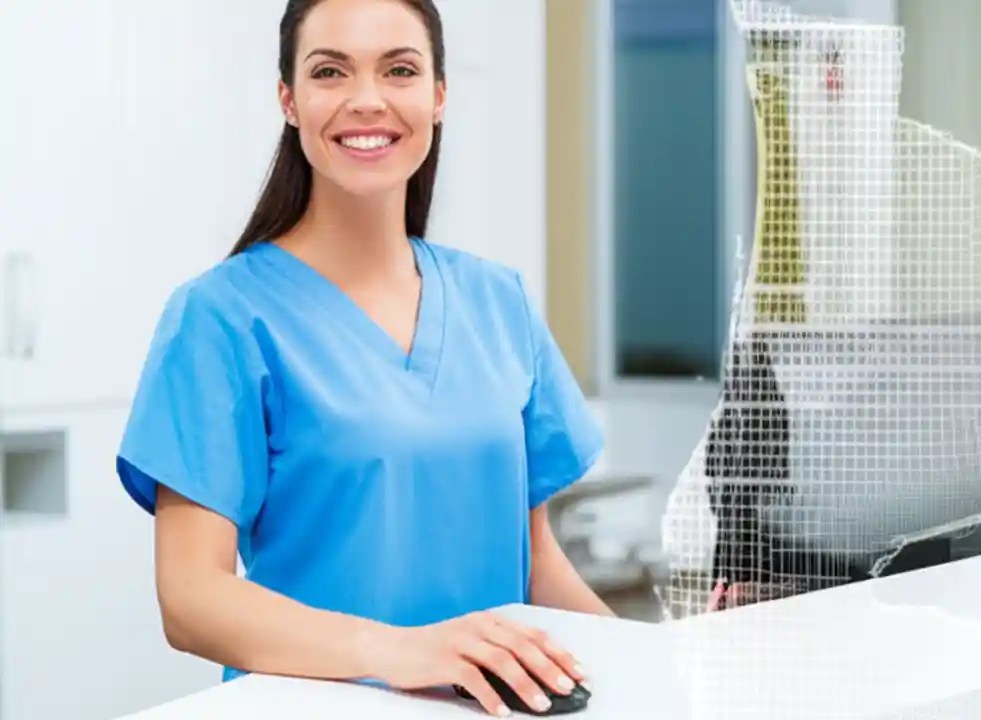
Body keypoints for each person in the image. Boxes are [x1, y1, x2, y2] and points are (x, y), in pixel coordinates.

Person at [114, 0, 610, 716]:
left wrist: (669, 670)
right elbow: (191, 600)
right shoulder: (220, 318)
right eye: (330, 72)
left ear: (439, 96)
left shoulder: (496, 300)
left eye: (400, 69)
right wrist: (402, 652)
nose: (367, 99)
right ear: (289, 99)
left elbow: (535, 565)